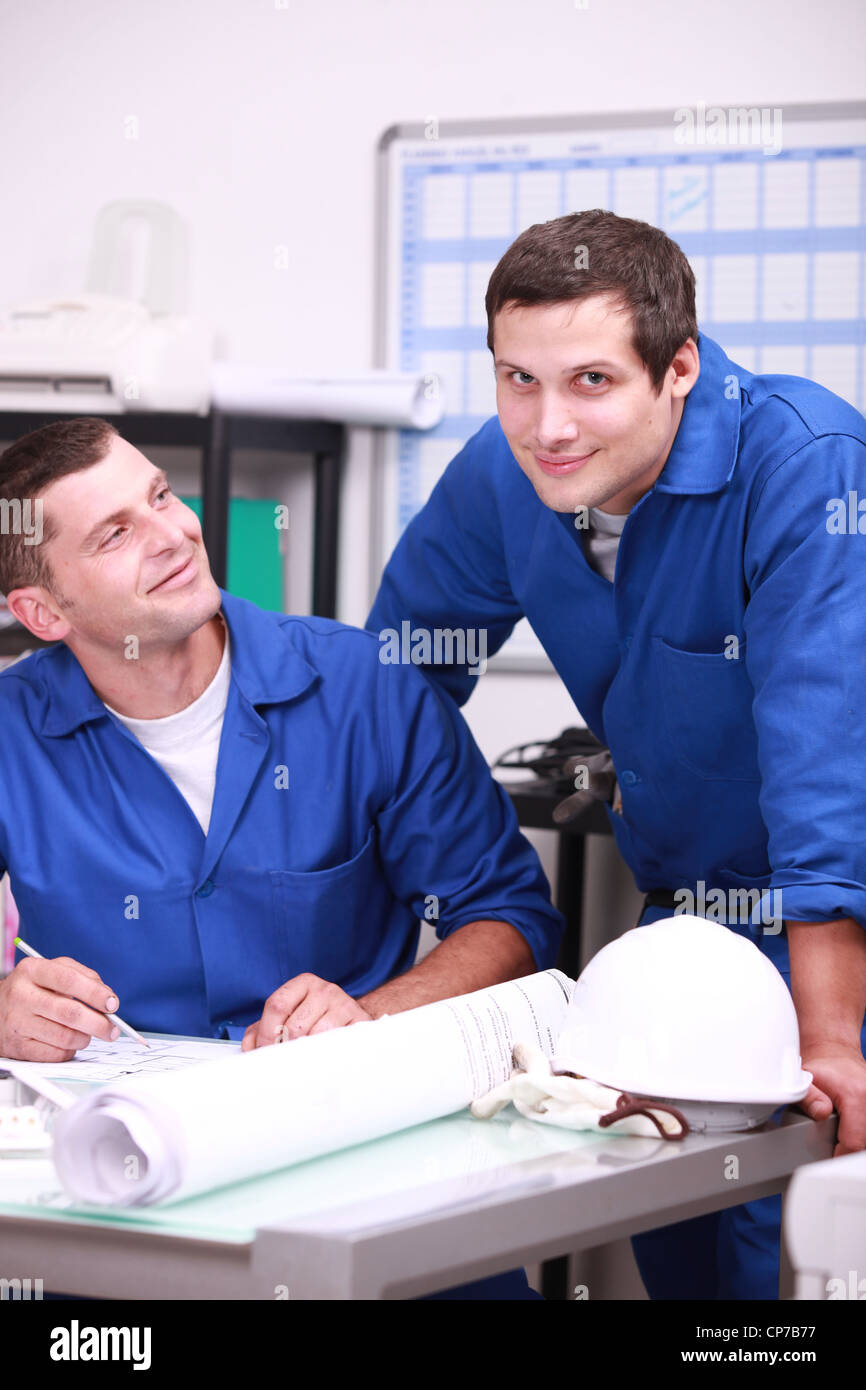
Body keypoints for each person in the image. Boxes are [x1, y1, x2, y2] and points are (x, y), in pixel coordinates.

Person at [367, 208, 866, 1300]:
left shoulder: (804, 464)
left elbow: (822, 769)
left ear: (675, 368)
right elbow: (395, 690)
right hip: (685, 922)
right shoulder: (502, 479)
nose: (546, 425)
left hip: (836, 923)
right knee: (662, 1226)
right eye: (515, 379)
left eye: (590, 380)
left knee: (775, 1260)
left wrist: (832, 1039)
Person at [0, 416, 564, 1300]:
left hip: (361, 1150)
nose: (174, 533)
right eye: (115, 534)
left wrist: (370, 1018)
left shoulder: (367, 687)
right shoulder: (9, 733)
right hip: (128, 1176)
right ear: (44, 612)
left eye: (158, 495)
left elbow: (510, 918)